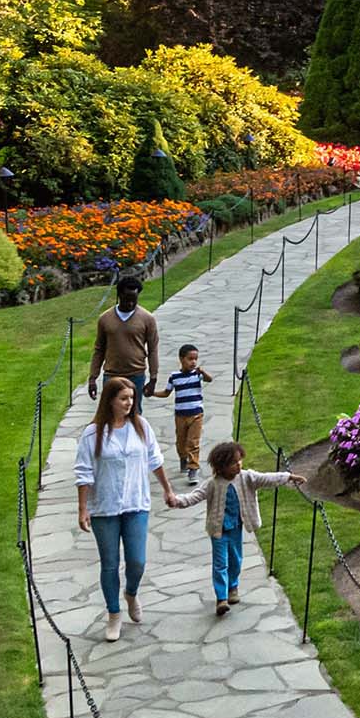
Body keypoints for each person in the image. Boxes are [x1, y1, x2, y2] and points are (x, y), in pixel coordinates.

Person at [74, 376, 176, 642]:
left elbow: (155, 459)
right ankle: (114, 613)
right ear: (110, 401)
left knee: (137, 561)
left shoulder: (141, 426)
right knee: (109, 564)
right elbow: (83, 472)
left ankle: (131, 592)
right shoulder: (92, 434)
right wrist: (83, 508)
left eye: (131, 398)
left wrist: (167, 489)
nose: (129, 403)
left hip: (135, 504)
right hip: (104, 508)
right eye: (124, 398)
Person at [167, 440, 305, 617]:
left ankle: (233, 587)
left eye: (239, 460)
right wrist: (176, 500)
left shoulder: (247, 477)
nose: (238, 465)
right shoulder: (213, 484)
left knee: (236, 560)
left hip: (235, 528)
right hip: (218, 530)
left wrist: (288, 477)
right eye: (233, 463)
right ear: (221, 466)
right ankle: (221, 598)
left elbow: (267, 478)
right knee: (220, 563)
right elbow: (194, 496)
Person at [86, 275, 160, 415]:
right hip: (112, 374)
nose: (131, 303)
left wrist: (153, 378)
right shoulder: (105, 319)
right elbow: (99, 350)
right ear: (119, 295)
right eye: (127, 299)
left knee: (134, 414)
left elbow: (153, 350)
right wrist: (92, 378)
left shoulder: (147, 319)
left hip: (136, 374)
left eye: (134, 299)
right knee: (109, 413)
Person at [165, 345, 213, 481]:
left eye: (195, 359)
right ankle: (183, 459)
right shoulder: (174, 377)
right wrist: (152, 393)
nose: (193, 362)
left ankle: (193, 468)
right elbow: (166, 392)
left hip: (196, 414)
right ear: (181, 359)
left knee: (193, 442)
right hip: (180, 415)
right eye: (190, 359)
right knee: (181, 441)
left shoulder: (197, 375)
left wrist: (202, 372)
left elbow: (210, 379)